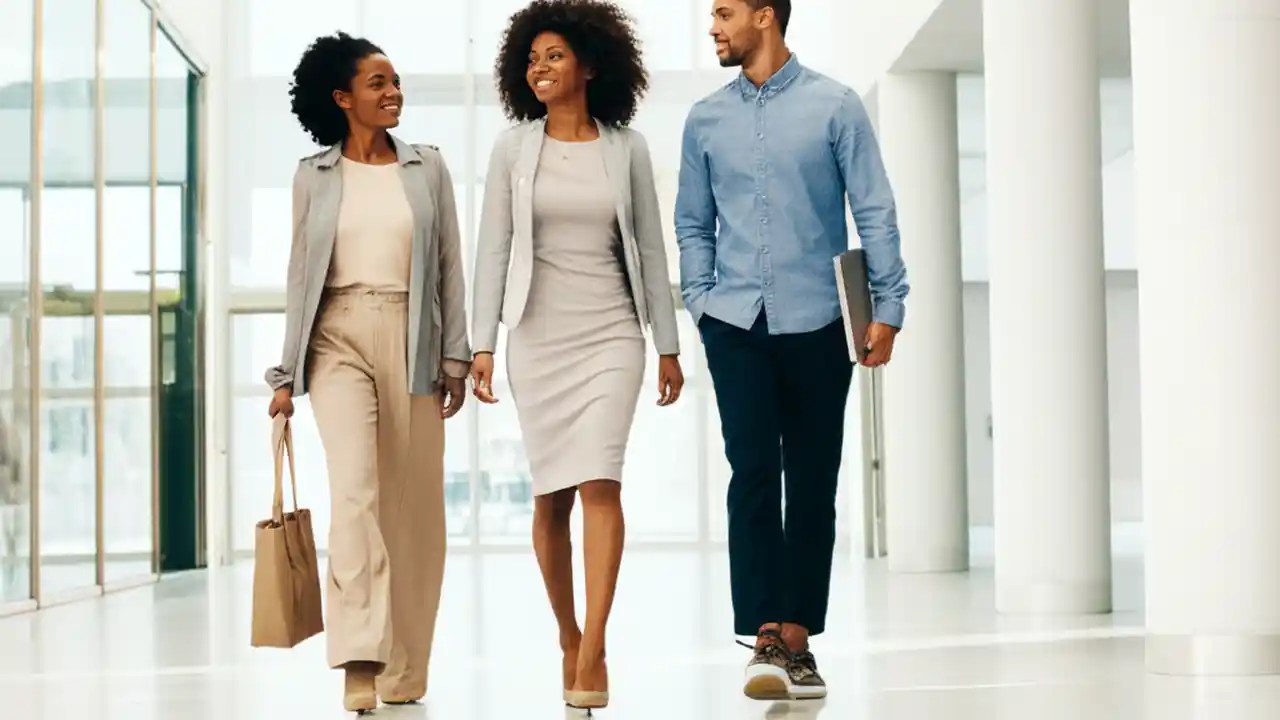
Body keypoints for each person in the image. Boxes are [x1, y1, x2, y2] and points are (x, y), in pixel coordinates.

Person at [676, 0, 909, 702]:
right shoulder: (704, 120)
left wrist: (888, 306)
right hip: (735, 322)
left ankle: (797, 641)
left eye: (724, 12)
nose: (713, 27)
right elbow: (693, 222)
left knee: (811, 480)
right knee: (751, 472)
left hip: (820, 320)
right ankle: (765, 637)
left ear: (764, 16)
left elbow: (874, 209)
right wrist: (702, 301)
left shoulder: (836, 106)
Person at [470, 0, 684, 710]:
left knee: (601, 483)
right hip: (537, 335)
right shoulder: (512, 150)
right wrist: (481, 344)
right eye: (532, 58)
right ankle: (567, 634)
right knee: (550, 498)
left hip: (611, 333)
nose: (540, 67)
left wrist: (667, 345)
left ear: (590, 65)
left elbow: (650, 248)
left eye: (554, 56)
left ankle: (594, 647)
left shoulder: (627, 148)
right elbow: (493, 249)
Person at [264, 32, 470, 715]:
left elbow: (449, 266)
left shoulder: (426, 167)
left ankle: (404, 668)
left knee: (414, 513)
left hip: (413, 336)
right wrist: (286, 373)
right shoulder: (314, 176)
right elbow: (300, 276)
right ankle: (359, 656)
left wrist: (455, 357)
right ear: (342, 98)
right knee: (355, 495)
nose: (393, 92)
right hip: (337, 336)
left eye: (396, 81)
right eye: (378, 83)